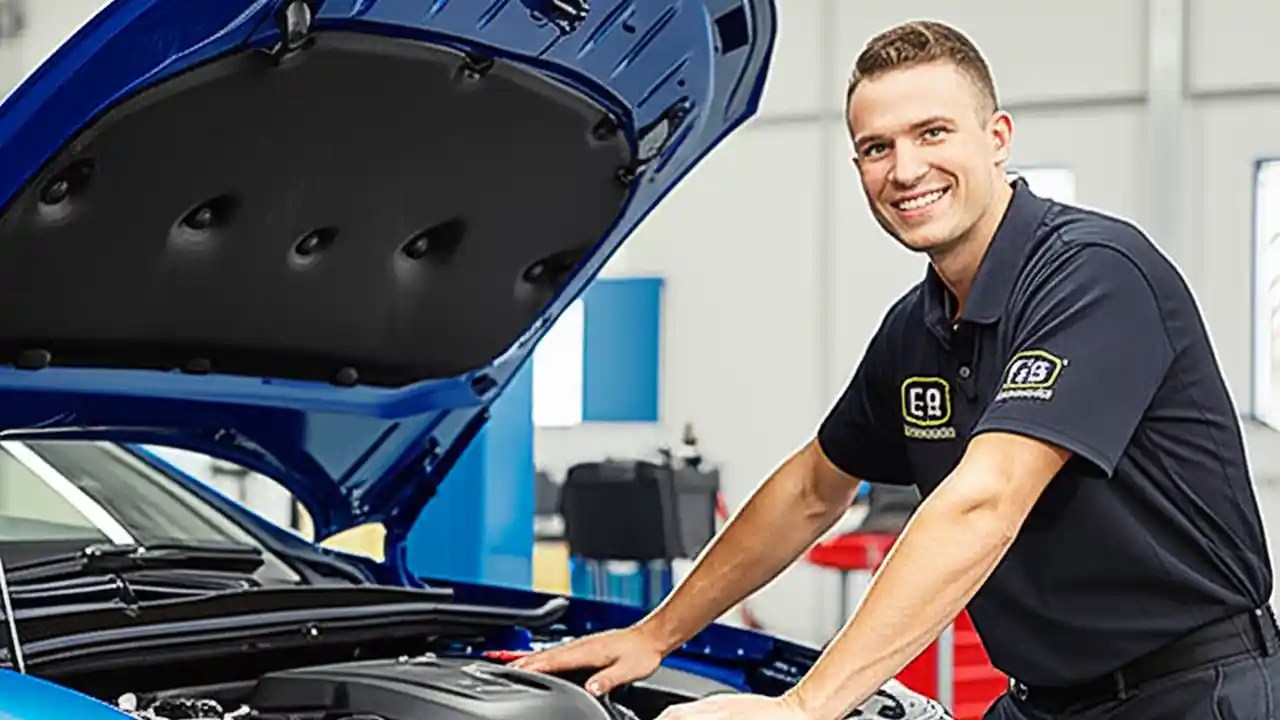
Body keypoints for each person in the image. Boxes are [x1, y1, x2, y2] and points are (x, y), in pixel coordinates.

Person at [513, 19, 1279, 719]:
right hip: (1045, 700)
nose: (906, 169)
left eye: (932, 133)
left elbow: (986, 499)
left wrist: (805, 708)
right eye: (878, 148)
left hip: (1191, 692)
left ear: (997, 137)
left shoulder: (1095, 274)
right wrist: (657, 633)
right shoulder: (916, 330)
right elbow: (813, 489)